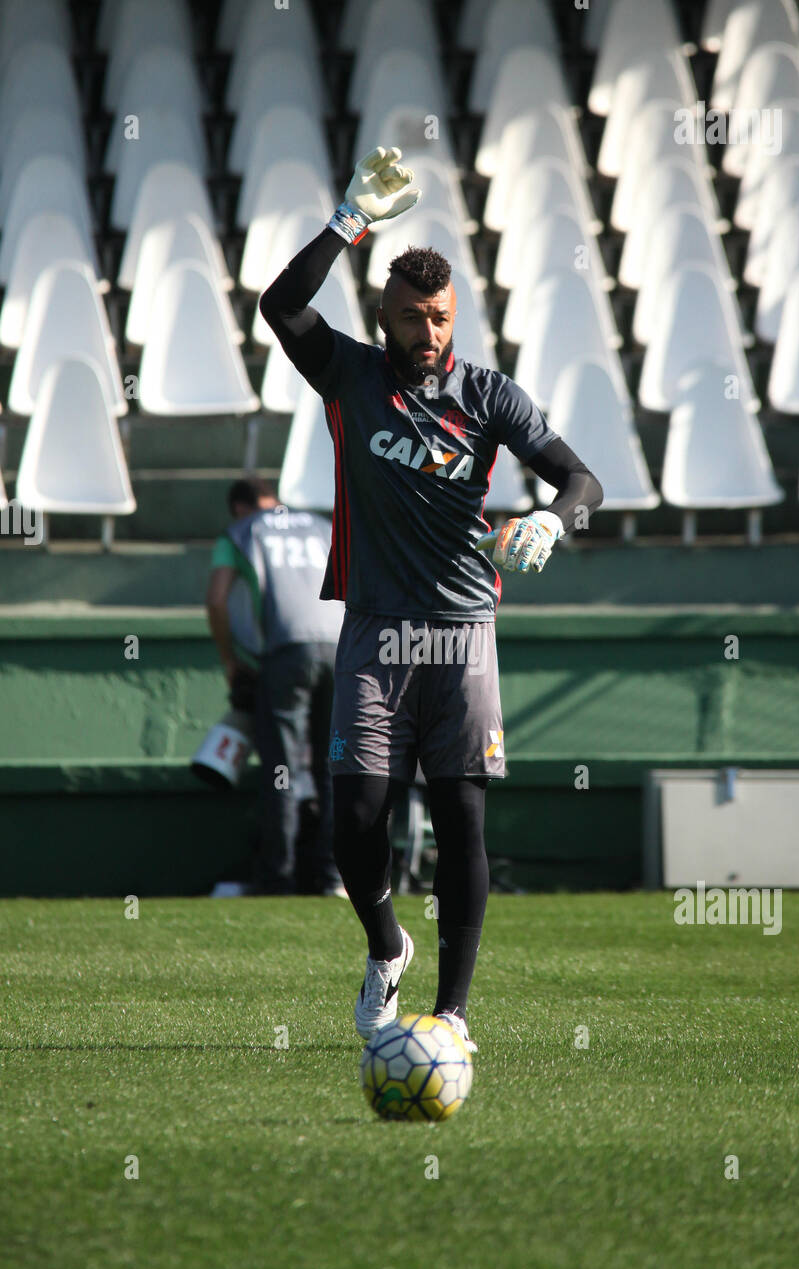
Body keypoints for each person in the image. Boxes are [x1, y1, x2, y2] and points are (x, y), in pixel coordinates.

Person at [259, 147, 603, 1049]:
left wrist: (555, 522)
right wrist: (350, 222)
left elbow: (580, 477)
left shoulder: (487, 395)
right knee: (356, 826)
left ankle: (451, 1014)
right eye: (413, 318)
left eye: (442, 318)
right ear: (385, 318)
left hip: (462, 633)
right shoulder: (352, 378)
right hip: (374, 631)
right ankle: (385, 947)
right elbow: (280, 307)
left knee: (462, 820)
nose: (430, 333)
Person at [206, 476, 346, 896]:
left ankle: (277, 878)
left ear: (239, 508)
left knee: (282, 770)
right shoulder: (321, 526)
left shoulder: (240, 531)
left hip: (286, 654)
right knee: (337, 767)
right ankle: (337, 878)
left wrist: (231, 660)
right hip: (342, 650)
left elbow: (216, 600)